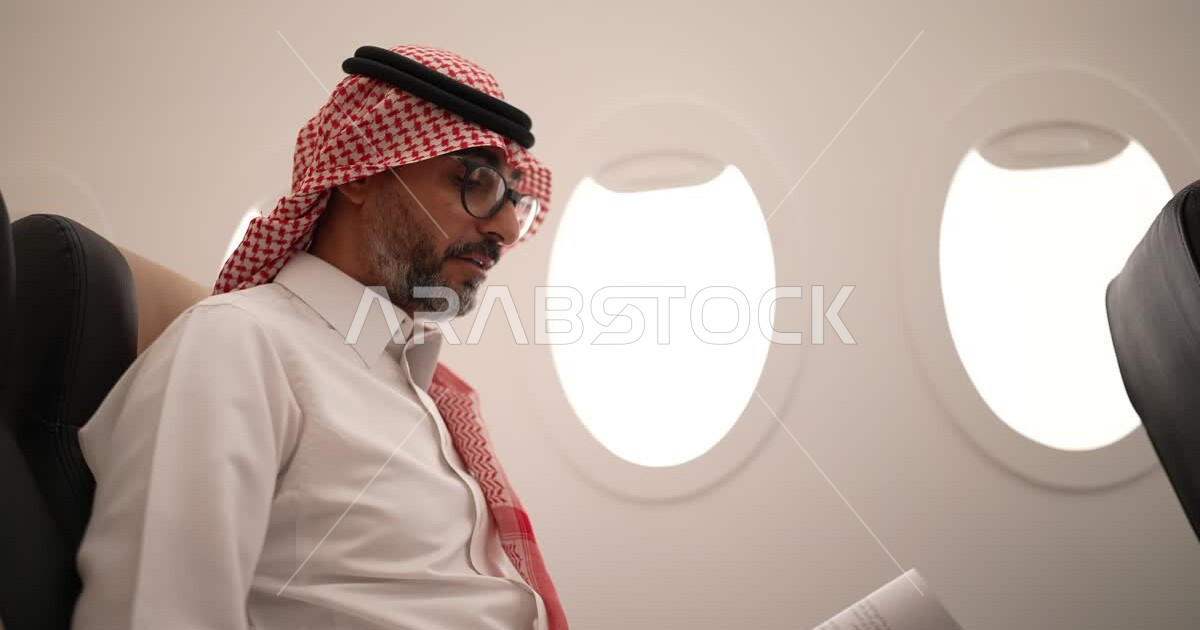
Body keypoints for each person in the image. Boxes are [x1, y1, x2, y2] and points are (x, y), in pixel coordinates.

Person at [71, 44, 568, 630]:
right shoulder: (237, 345)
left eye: (512, 195)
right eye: (476, 183)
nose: (507, 228)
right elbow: (153, 613)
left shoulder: (418, 386)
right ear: (360, 174)